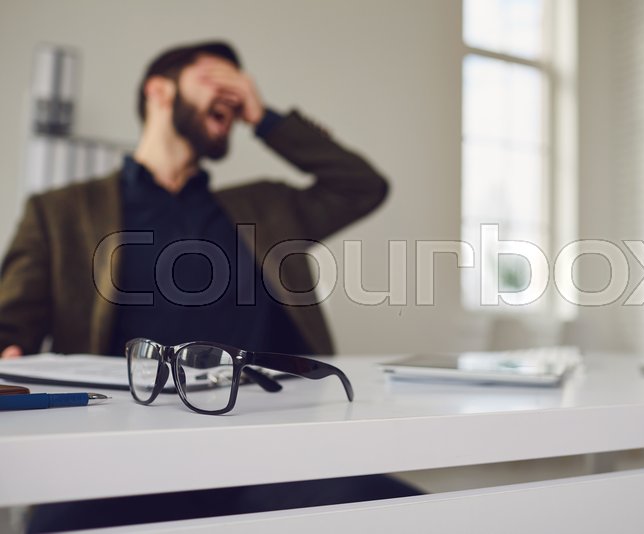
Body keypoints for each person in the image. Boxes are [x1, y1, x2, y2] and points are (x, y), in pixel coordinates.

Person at [0, 41, 418, 531]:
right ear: (159, 90)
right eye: (217, 78)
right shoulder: (60, 211)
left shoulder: (267, 207)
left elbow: (363, 185)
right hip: (115, 457)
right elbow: (12, 325)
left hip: (269, 453)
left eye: (241, 88)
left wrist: (265, 119)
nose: (234, 94)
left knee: (422, 515)